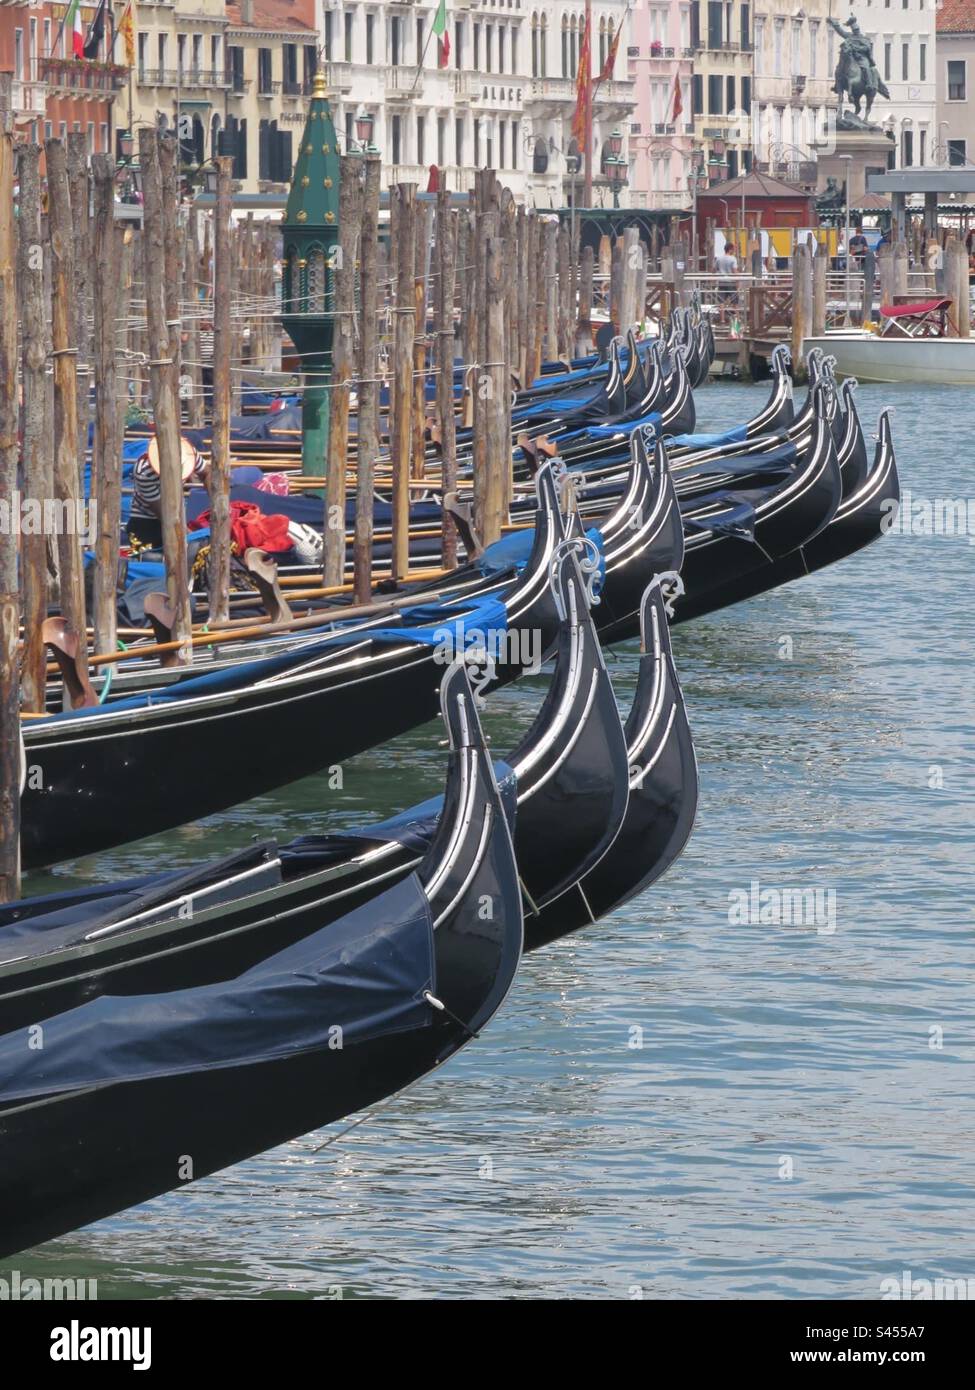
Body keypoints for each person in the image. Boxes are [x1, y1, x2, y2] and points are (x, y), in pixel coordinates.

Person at [715, 240, 738, 320]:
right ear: (730, 249)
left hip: (721, 282)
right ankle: (737, 319)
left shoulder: (719, 258)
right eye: (733, 249)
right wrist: (737, 282)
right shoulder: (733, 259)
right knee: (735, 302)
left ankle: (722, 320)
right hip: (730, 282)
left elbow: (714, 270)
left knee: (721, 302)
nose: (734, 251)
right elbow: (735, 271)